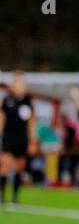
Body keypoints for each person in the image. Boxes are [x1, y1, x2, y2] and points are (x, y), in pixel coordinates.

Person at [1, 72, 38, 203]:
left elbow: (32, 122)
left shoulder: (28, 101)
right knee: (5, 165)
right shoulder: (7, 100)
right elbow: (1, 119)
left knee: (19, 167)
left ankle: (15, 197)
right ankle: (2, 196)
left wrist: (33, 141)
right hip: (8, 138)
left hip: (22, 138)